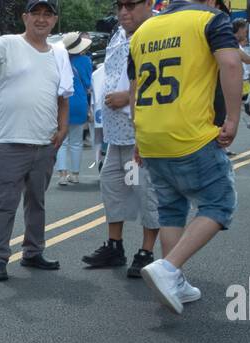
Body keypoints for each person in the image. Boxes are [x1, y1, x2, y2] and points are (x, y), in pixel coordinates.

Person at [129, 0, 240, 314]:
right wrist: (232, 117)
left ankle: (173, 279)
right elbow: (231, 64)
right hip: (189, 133)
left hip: (151, 134)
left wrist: (139, 133)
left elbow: (135, 86)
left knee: (171, 207)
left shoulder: (143, 31)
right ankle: (169, 267)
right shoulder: (210, 19)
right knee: (219, 202)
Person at [0, 0, 74, 282]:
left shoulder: (58, 54)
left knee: (36, 201)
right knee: (4, 202)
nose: (41, 19)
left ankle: (33, 251)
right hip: (11, 140)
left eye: (47, 15)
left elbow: (63, 96)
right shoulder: (8, 44)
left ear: (54, 21)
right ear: (25, 17)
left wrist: (63, 129)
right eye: (36, 14)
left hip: (44, 142)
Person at [82, 0, 159, 278]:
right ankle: (115, 246)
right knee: (112, 186)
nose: (124, 12)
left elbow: (162, 76)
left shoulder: (155, 31)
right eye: (120, 6)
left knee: (146, 192)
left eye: (130, 5)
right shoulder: (118, 33)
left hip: (142, 129)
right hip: (116, 131)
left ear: (148, 4)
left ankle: (147, 251)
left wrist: (128, 97)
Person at [55, 31, 92, 185]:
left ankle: (62, 174)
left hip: (62, 101)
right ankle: (75, 174)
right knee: (76, 142)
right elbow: (88, 84)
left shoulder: (59, 60)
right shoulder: (86, 61)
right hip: (80, 102)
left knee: (62, 141)